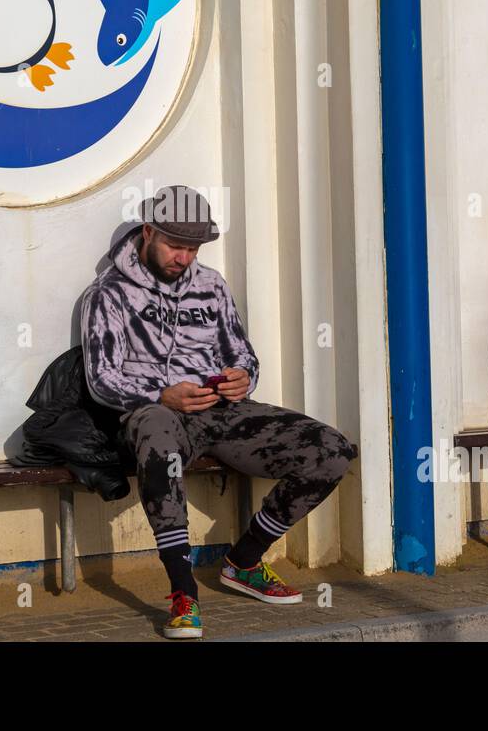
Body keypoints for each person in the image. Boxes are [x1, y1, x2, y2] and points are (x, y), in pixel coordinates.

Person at [80, 185, 357, 639]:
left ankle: (244, 561)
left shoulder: (211, 286)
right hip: (154, 414)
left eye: (192, 249)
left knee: (332, 450)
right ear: (148, 232)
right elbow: (102, 379)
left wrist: (242, 377)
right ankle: (183, 591)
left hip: (220, 412)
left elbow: (242, 354)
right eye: (175, 246)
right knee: (158, 434)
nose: (184, 258)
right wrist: (161, 393)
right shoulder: (107, 294)